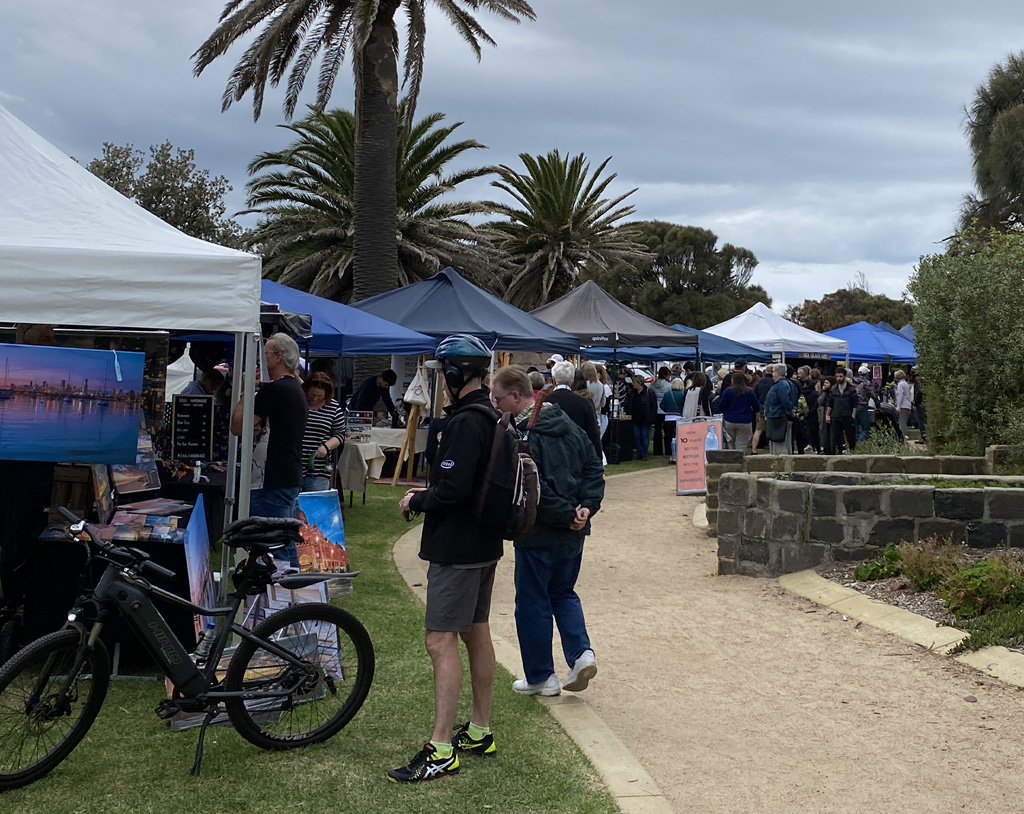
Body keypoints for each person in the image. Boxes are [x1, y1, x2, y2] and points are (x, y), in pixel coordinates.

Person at [389, 335, 501, 783]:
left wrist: (417, 500)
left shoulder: (465, 423)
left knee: (439, 640)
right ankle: (479, 728)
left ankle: (440, 748)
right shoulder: (492, 416)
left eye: (443, 373)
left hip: (457, 547)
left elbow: (452, 490)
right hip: (484, 544)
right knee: (476, 632)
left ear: (456, 374)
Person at [490, 366, 604, 697]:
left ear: (515, 395)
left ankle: (541, 675)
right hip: (573, 531)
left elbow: (532, 490)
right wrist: (586, 506)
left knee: (532, 601)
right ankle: (581, 653)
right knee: (564, 592)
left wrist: (570, 513)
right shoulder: (570, 426)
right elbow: (593, 467)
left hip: (538, 531)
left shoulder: (524, 435)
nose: (495, 405)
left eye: (498, 398)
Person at [231, 333, 307, 570]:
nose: (260, 361)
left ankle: (282, 599)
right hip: (284, 474)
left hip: (269, 479)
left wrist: (245, 390)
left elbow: (237, 426)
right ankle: (292, 597)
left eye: (263, 355)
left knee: (273, 544)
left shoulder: (275, 390)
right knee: (283, 541)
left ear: (278, 357)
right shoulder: (294, 387)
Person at [545, 361, 603, 463]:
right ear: (572, 381)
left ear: (553, 380)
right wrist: (598, 459)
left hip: (552, 457)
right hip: (577, 456)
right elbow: (593, 433)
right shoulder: (584, 403)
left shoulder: (545, 401)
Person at [300, 375, 345, 491]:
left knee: (315, 505)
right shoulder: (299, 402)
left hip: (318, 469)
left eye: (319, 396)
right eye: (312, 395)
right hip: (295, 466)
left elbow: (340, 434)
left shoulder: (333, 407)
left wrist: (326, 447)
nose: (314, 399)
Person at [718, 372, 760, 454]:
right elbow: (756, 406)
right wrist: (757, 416)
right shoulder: (749, 391)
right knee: (741, 445)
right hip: (745, 421)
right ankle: (740, 462)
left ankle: (732, 462)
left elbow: (721, 406)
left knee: (730, 443)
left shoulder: (728, 391)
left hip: (730, 420)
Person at [762, 363, 799, 454]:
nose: (772, 374)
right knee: (779, 441)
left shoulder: (782, 384)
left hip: (779, 416)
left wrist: (789, 411)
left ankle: (781, 462)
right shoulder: (783, 383)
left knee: (779, 441)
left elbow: (785, 400)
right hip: (777, 415)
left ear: (777, 373)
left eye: (773, 372)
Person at [825, 367, 858, 454]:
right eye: (837, 376)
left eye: (841, 376)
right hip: (835, 415)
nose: (839, 378)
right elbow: (829, 403)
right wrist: (827, 415)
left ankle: (853, 452)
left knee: (850, 437)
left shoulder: (851, 389)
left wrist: (853, 416)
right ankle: (836, 453)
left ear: (845, 376)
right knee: (834, 438)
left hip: (847, 415)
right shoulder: (833, 389)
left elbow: (855, 404)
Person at [625, 373, 657, 461]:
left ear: (639, 383)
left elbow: (654, 406)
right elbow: (629, 404)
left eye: (634, 382)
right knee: (636, 436)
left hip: (645, 418)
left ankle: (643, 453)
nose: (632, 384)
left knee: (644, 436)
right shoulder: (632, 393)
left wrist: (652, 417)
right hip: (635, 418)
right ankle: (640, 452)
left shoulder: (649, 392)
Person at [660, 378, 686, 463]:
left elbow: (661, 405)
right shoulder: (682, 394)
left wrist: (667, 411)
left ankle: (669, 453)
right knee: (677, 436)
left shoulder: (667, 394)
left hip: (667, 418)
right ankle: (677, 452)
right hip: (678, 418)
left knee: (668, 437)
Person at [651, 366, 673, 456]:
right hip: (665, 410)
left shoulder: (653, 385)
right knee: (667, 432)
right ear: (666, 375)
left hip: (656, 410)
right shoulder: (669, 386)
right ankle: (668, 450)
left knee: (657, 431)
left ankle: (657, 450)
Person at [852, 364, 874, 443]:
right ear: (866, 374)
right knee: (865, 429)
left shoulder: (852, 382)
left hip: (853, 406)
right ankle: (859, 445)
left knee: (856, 429)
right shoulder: (867, 383)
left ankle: (854, 446)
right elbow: (873, 395)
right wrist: (878, 406)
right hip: (862, 405)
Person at [894, 369, 912, 439]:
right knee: (904, 420)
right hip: (907, 404)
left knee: (902, 421)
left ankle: (903, 435)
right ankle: (904, 435)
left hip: (903, 405)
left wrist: (898, 406)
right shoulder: (906, 384)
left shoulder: (900, 384)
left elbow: (900, 395)